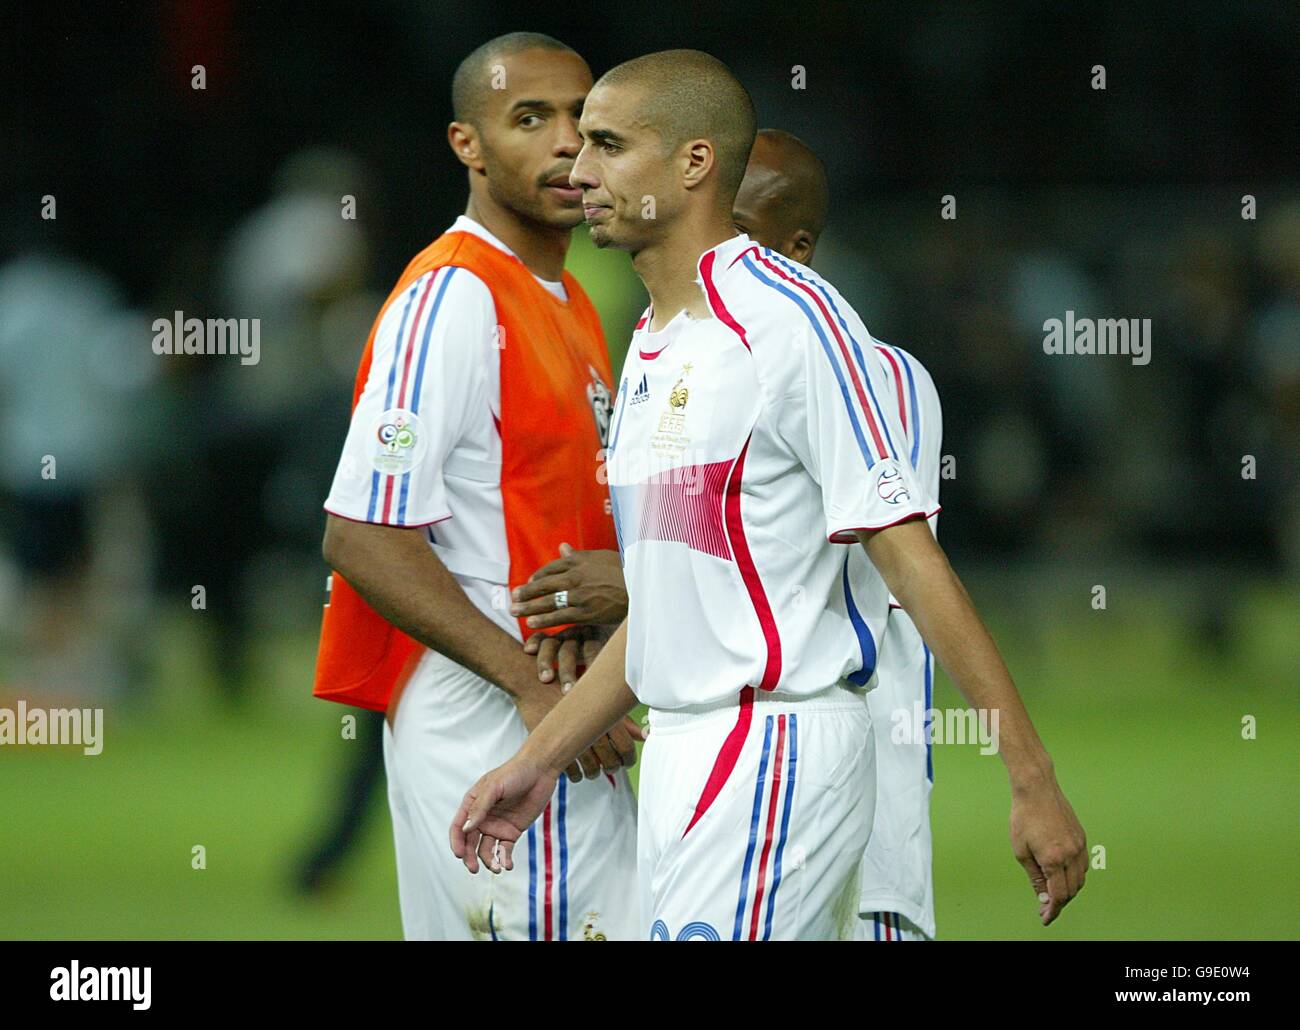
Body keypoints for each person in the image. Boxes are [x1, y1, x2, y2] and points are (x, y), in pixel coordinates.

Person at [451, 49, 1086, 942]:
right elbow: (665, 613)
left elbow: (908, 555)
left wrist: (1030, 775)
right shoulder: (653, 342)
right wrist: (540, 761)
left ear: (694, 163)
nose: (578, 170)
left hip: (774, 747)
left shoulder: (790, 321)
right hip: (678, 754)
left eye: (606, 145)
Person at [512, 128, 945, 940]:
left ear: (798, 246)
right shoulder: (668, 359)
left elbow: (876, 563)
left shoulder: (877, 373)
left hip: (837, 750)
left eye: (734, 225)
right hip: (713, 753)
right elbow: (706, 554)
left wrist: (635, 584)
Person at [315, 32, 639, 941]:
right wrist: (532, 693)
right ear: (469, 144)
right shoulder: (451, 296)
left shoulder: (571, 301)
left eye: (585, 118)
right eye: (530, 119)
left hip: (555, 692)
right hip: (489, 694)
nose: (568, 141)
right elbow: (363, 533)